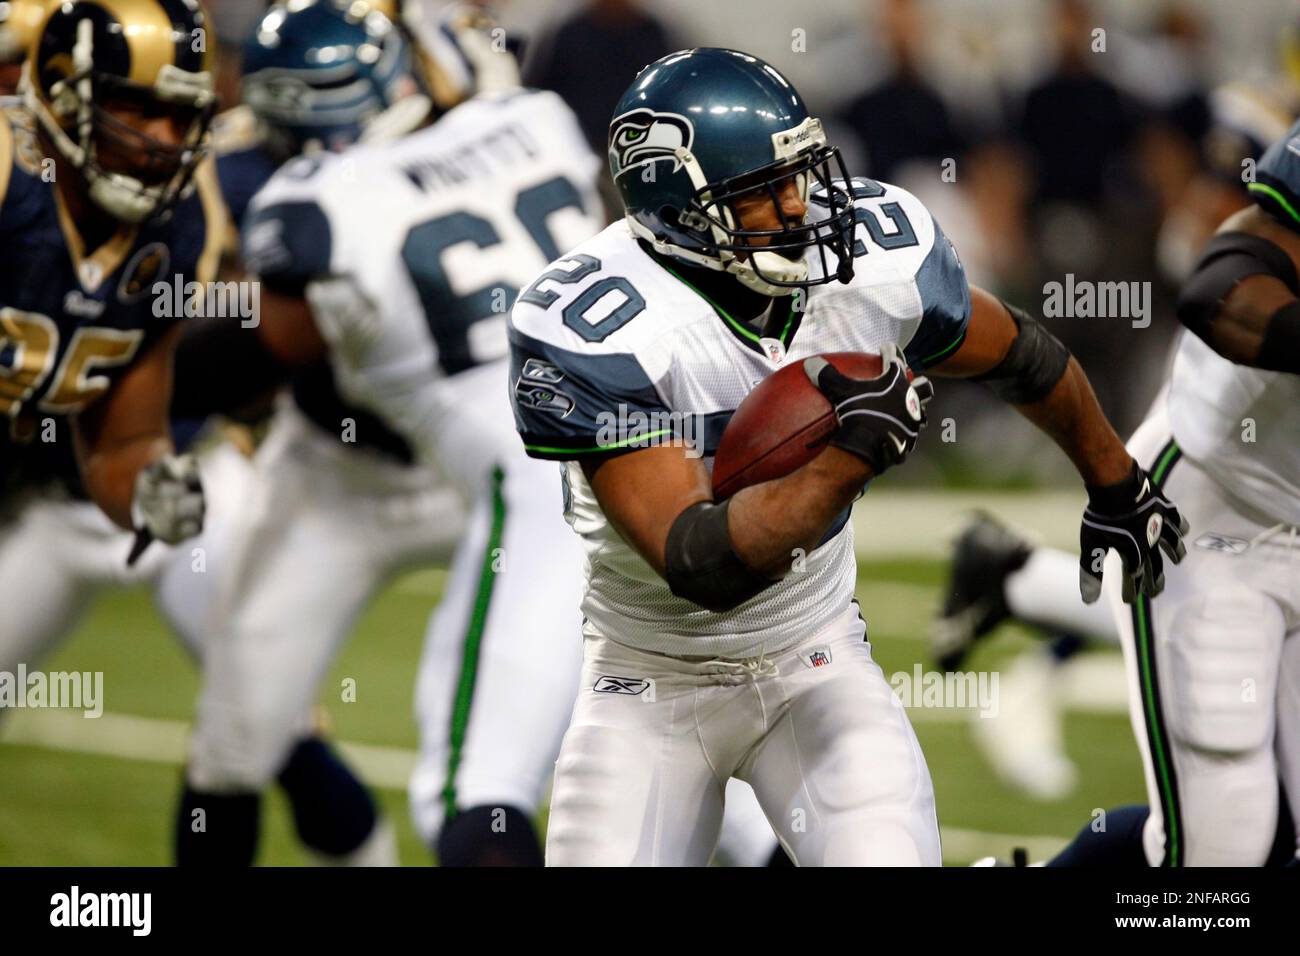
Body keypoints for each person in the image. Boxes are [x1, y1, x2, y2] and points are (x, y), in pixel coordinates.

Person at [506, 47, 1186, 866]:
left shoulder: (871, 261)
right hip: (649, 683)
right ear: (678, 209)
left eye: (802, 175)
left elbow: (1023, 354)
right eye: (763, 193)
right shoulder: (603, 325)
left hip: (815, 659)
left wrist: (1114, 480)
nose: (801, 207)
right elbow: (701, 561)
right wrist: (846, 457)